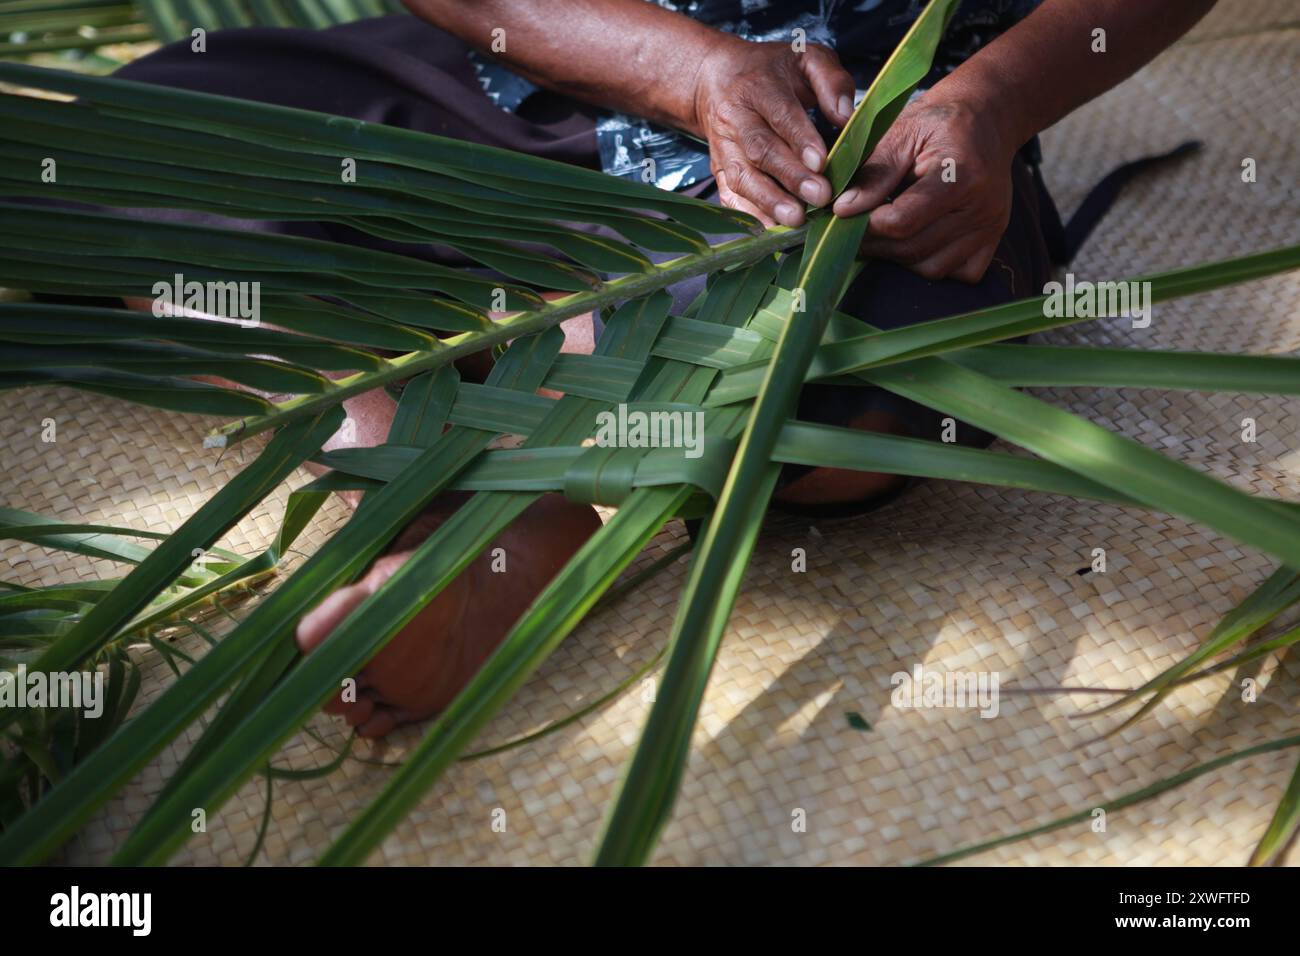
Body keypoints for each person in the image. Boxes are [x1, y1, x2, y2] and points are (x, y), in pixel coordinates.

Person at [113, 0, 1217, 737]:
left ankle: (476, 452)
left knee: (852, 393)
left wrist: (993, 101)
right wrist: (686, 74)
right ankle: (422, 460)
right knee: (135, 139)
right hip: (554, 54)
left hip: (872, 132)